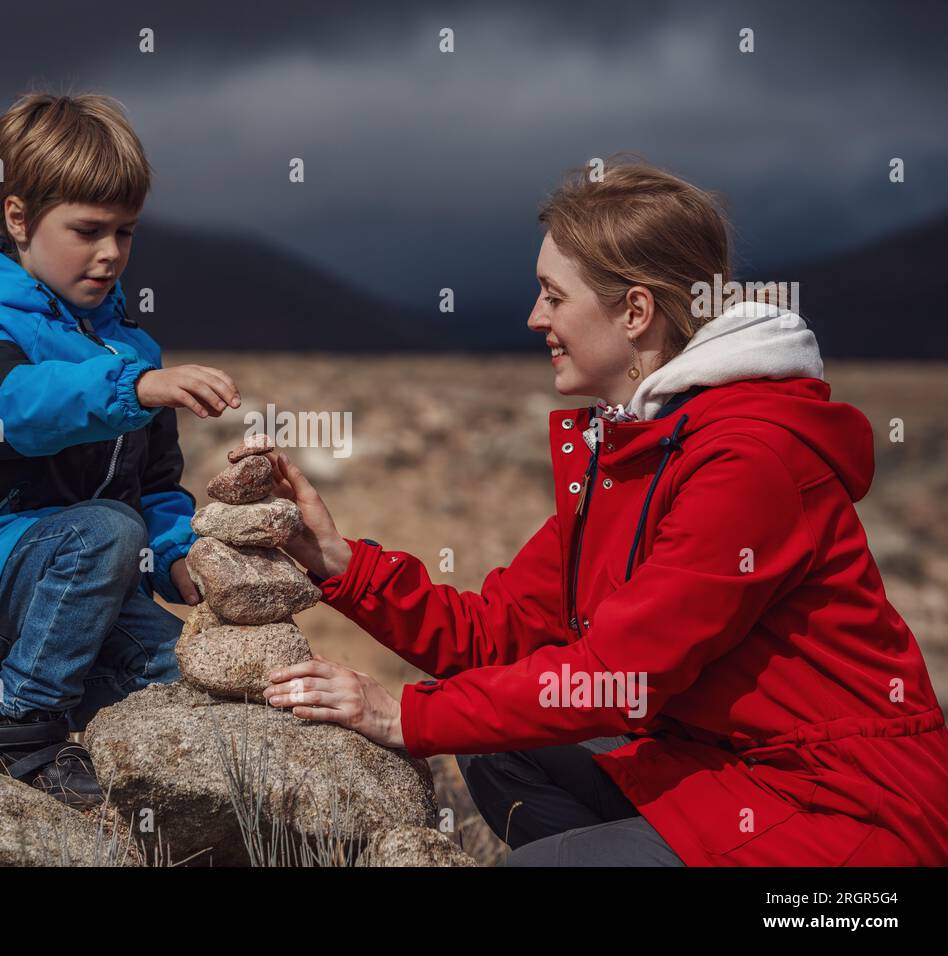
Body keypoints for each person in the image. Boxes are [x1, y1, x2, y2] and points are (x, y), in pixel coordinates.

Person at [261, 161, 948, 866]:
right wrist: (344, 566)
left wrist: (397, 713)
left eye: (553, 297)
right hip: (731, 776)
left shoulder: (748, 459)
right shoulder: (645, 446)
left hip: (845, 817)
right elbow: (505, 633)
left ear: (635, 312)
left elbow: (621, 674)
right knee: (490, 740)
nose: (536, 319)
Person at [0, 93, 240, 805]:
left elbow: (157, 486)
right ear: (18, 218)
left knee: (183, 675)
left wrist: (179, 560)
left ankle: (25, 702)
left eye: (126, 232)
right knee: (109, 532)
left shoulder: (130, 345)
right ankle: (16, 721)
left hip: (75, 587)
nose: (110, 253)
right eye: (87, 230)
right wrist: (129, 389)